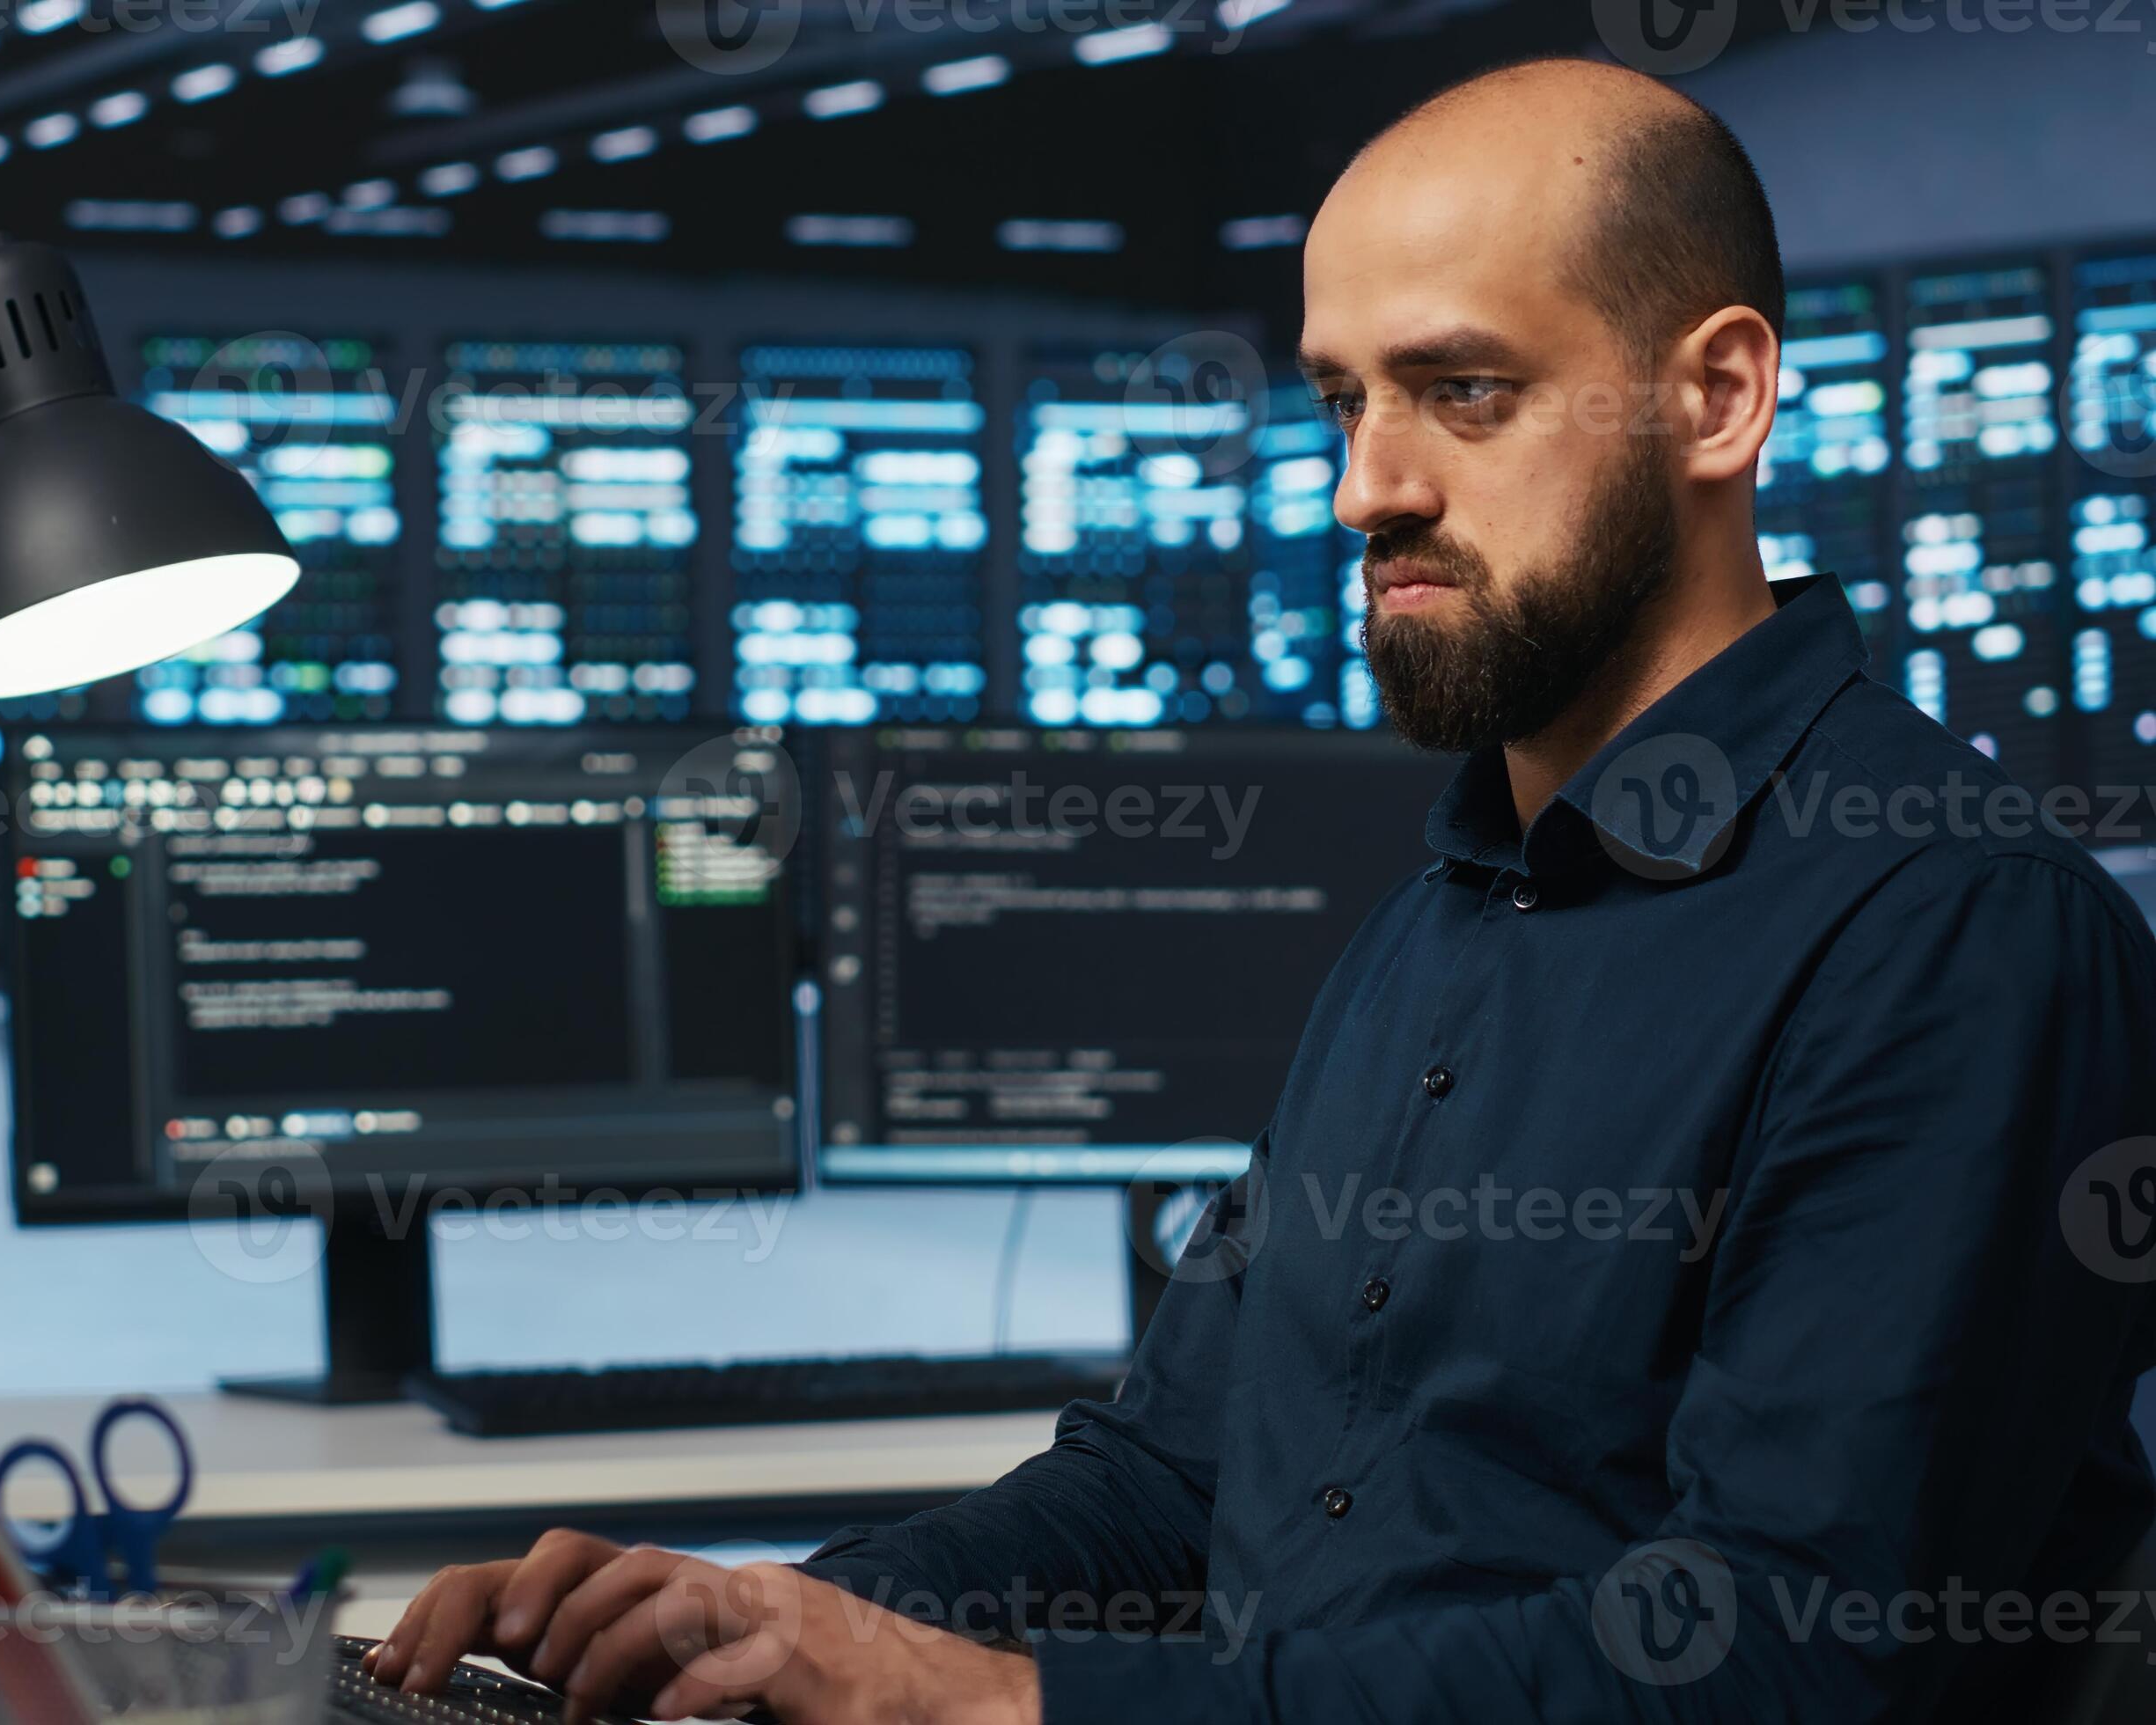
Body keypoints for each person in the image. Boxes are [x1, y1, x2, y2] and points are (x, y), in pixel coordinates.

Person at [365, 54, 2156, 1724]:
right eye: (1341, 402)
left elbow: (1777, 1647)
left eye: (1463, 391)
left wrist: (1008, 1698)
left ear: (1717, 395)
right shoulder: (1444, 917)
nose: (1365, 486)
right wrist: (784, 1619)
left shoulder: (1951, 929)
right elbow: (1176, 1476)